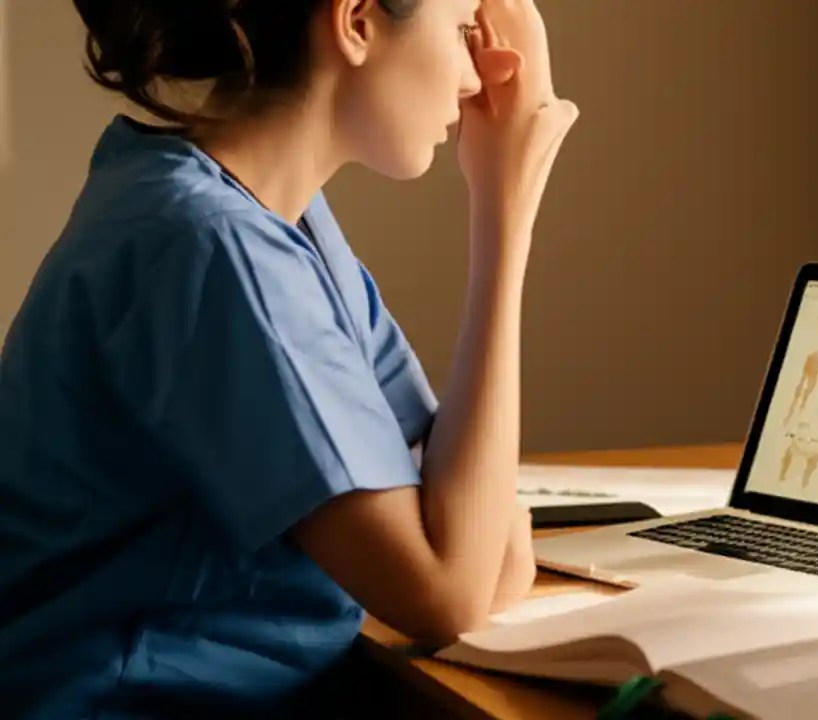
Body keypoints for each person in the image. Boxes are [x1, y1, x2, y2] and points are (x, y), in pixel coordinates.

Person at [0, 0, 578, 716]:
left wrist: (471, 549)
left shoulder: (271, 223)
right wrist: (504, 207)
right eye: (464, 32)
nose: (471, 80)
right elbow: (451, 589)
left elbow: (461, 521)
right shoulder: (212, 246)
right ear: (358, 21)